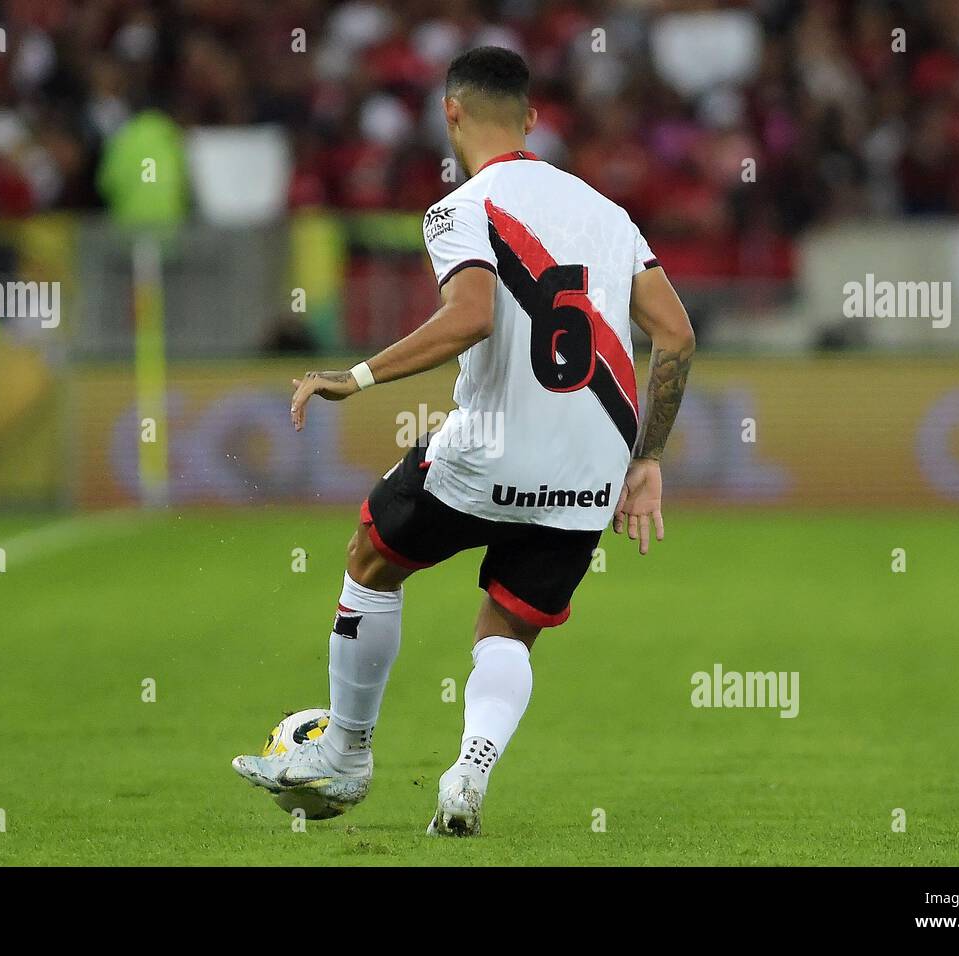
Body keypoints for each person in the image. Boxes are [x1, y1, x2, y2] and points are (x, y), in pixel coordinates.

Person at [232, 47, 695, 835]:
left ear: (450, 112)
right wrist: (646, 459)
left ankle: (345, 756)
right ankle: (467, 774)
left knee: (372, 559)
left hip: (487, 452)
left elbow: (472, 314)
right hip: (590, 470)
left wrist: (358, 375)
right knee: (508, 627)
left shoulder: (463, 207)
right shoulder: (611, 216)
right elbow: (676, 337)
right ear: (533, 118)